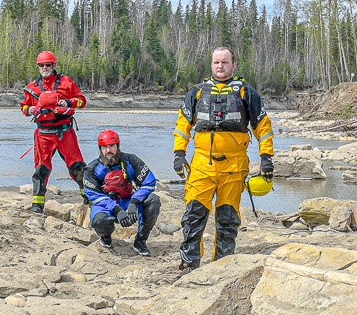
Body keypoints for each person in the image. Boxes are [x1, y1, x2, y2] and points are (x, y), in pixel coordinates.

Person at [173, 46, 274, 270]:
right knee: (193, 216)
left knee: (228, 219)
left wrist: (266, 158)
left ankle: (221, 266)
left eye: (224, 62)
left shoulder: (247, 93)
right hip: (201, 165)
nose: (220, 66)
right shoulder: (196, 92)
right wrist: (179, 154)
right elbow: (182, 126)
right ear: (211, 65)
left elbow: (263, 128)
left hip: (234, 166)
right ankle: (189, 265)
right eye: (216, 62)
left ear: (233, 65)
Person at [20, 50, 88, 215]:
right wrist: (31, 110)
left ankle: (89, 197)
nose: (45, 68)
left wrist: (67, 102)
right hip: (43, 134)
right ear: (38, 67)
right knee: (41, 170)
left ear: (54, 65)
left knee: (77, 166)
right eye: (41, 65)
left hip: (64, 132)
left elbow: (82, 101)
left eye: (48, 65)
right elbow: (24, 107)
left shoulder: (66, 82)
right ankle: (37, 206)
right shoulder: (32, 87)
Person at [82, 129, 160, 256]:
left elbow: (149, 182)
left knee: (154, 200)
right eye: (104, 147)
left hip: (128, 201)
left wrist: (134, 202)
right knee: (99, 221)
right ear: (100, 149)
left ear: (117, 146)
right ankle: (105, 238)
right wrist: (117, 210)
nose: (108, 150)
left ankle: (140, 240)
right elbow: (93, 194)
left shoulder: (131, 160)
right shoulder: (92, 169)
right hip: (105, 205)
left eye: (112, 146)